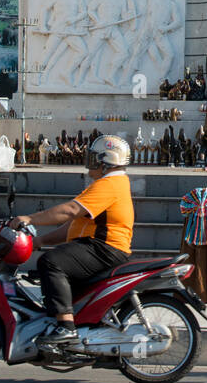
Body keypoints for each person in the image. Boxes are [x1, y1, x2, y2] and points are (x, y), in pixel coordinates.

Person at [8, 134, 134, 346]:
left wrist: (30, 218)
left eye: (94, 158)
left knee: (51, 263)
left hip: (104, 248)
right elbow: (73, 225)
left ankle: (65, 327)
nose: (89, 162)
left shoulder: (109, 184)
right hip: (97, 246)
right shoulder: (108, 183)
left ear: (106, 162)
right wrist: (40, 241)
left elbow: (70, 210)